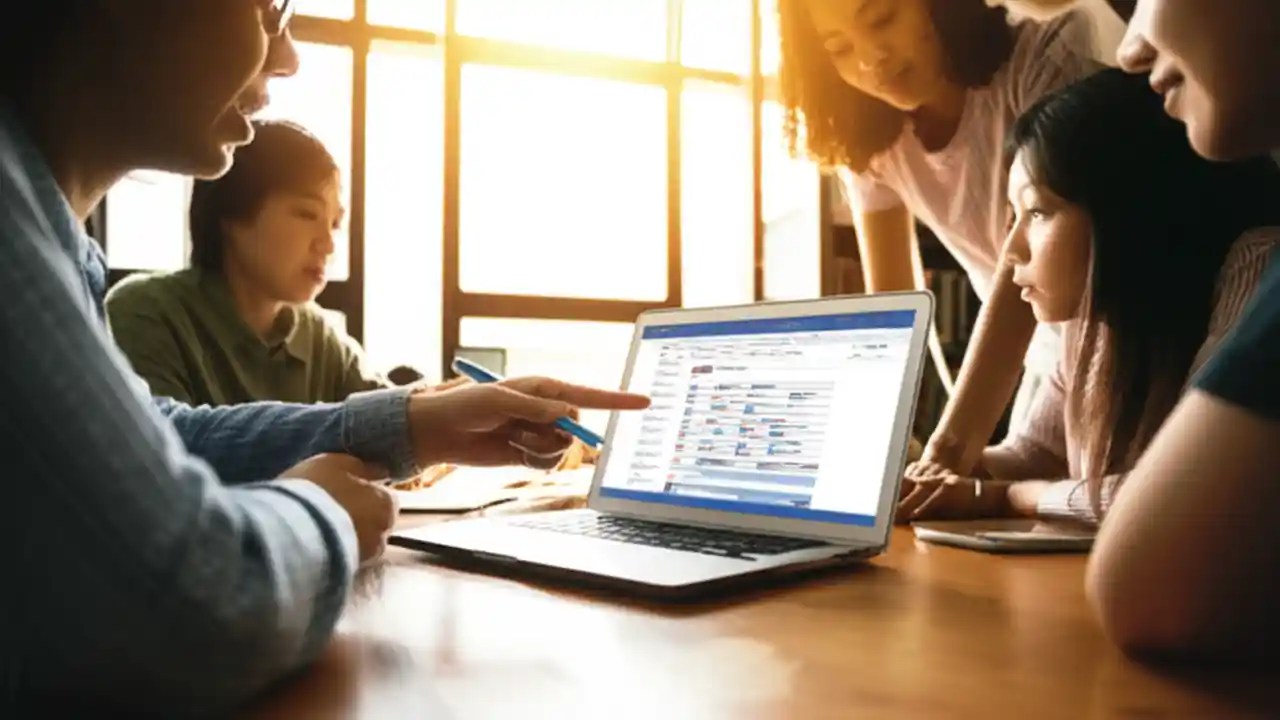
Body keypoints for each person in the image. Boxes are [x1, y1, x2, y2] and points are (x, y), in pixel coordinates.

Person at [0, 1, 647, 714]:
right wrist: (324, 513)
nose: (288, 57)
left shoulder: (56, 240)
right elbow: (191, 605)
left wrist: (420, 424)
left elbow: (163, 439)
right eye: (266, 8)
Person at [897, 69, 1280, 525]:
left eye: (1037, 211)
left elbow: (1170, 493)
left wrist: (1008, 496)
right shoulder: (1091, 315)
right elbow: (1037, 452)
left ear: (1121, 206)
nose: (1012, 250)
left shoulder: (1256, 271)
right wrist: (935, 480)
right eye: (1013, 216)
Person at [777, 0, 1100, 481]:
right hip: (1044, 362)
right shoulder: (872, 142)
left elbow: (1025, 253)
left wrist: (950, 444)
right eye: (839, 49)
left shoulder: (1039, 60)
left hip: (1117, 336)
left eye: (882, 19)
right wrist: (878, 443)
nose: (870, 59)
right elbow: (891, 303)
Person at [107, 119, 394, 405]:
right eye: (307, 214)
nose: (328, 244)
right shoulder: (146, 313)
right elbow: (166, 439)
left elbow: (392, 421)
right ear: (232, 214)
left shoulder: (320, 338)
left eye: (334, 224)